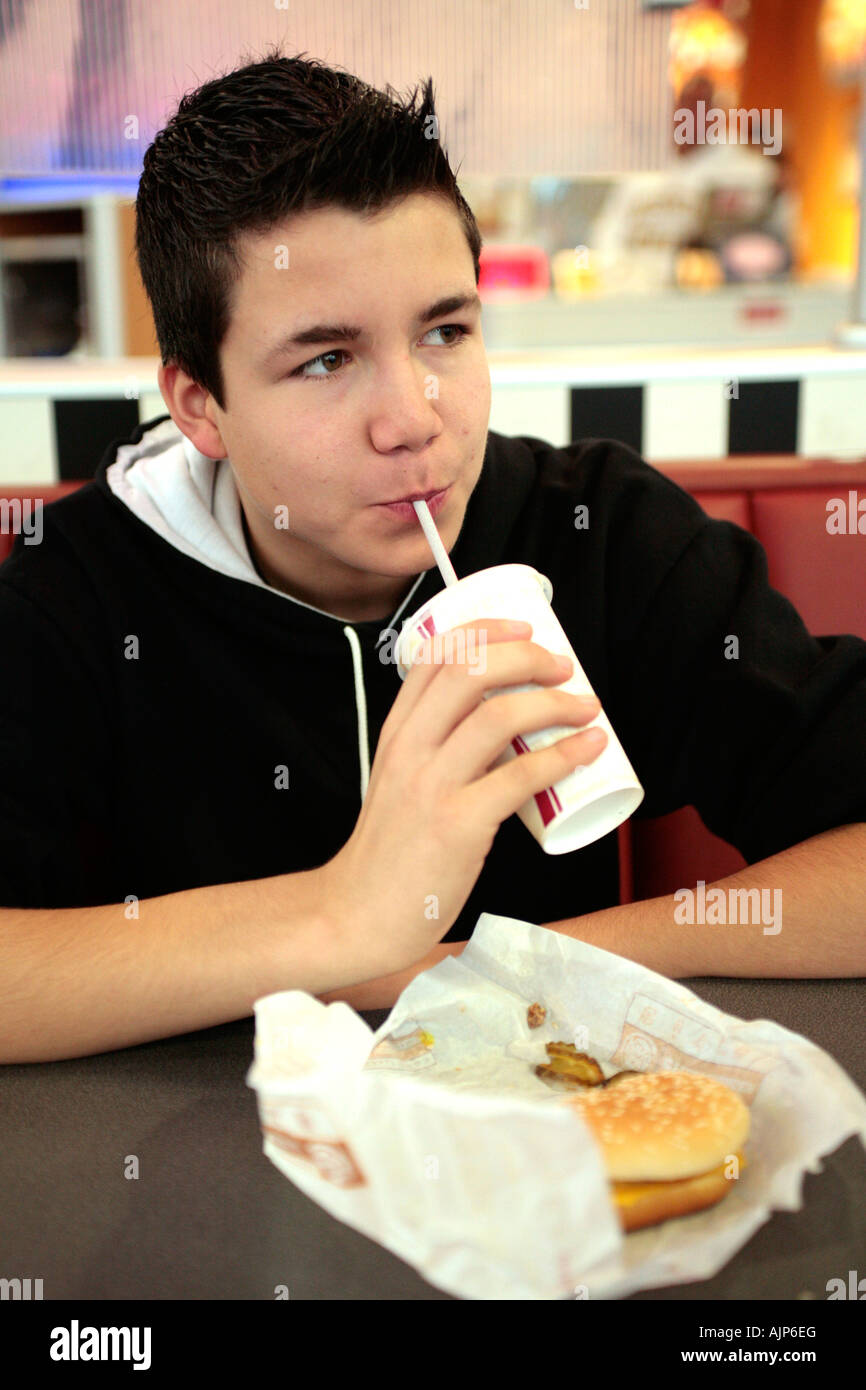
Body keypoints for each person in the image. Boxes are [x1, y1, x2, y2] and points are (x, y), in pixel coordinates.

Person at [1, 46, 864, 1065]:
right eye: (325, 359)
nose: (414, 420)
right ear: (201, 405)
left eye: (444, 331)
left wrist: (505, 963)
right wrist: (340, 915)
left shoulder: (599, 533)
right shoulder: (78, 598)